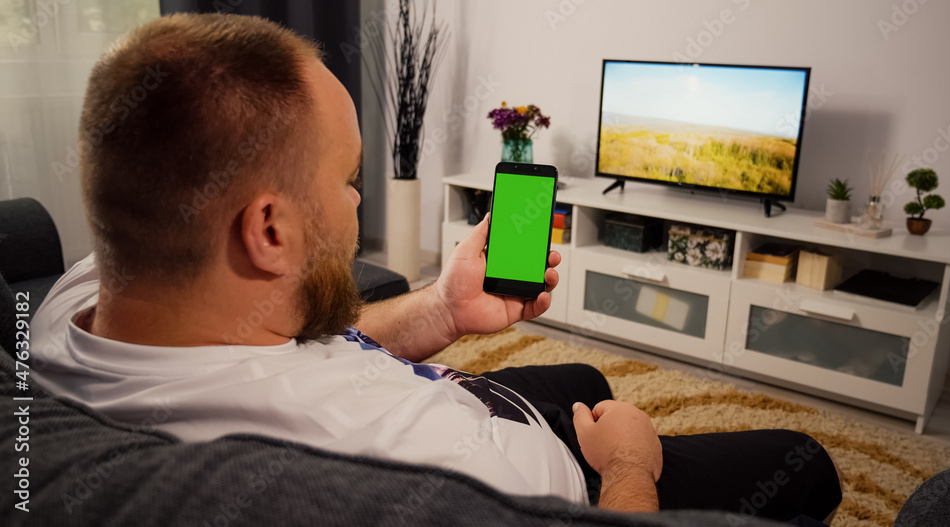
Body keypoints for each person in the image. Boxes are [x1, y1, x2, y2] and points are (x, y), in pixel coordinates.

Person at [31, 13, 841, 521]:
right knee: (803, 460)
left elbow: (273, 342)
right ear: (268, 230)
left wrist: (441, 309)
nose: (359, 205)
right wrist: (629, 465)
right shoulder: (381, 475)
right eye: (349, 181)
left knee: (589, 377)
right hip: (572, 479)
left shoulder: (79, 301)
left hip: (477, 411)